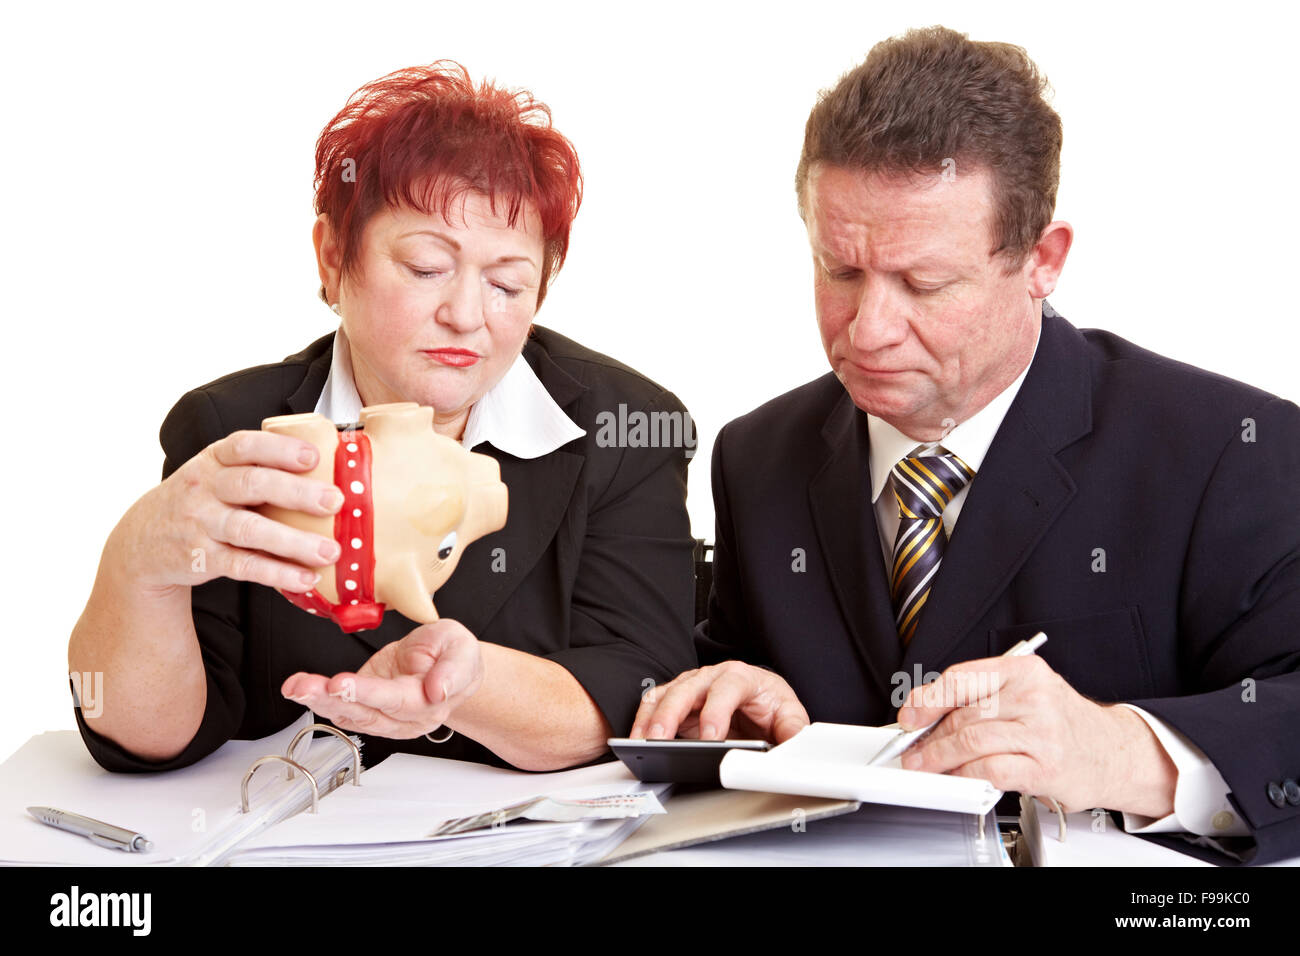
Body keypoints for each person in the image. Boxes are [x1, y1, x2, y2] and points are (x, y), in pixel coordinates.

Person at [632, 26, 1300, 865]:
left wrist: (1122, 753)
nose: (867, 330)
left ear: (1042, 260)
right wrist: (735, 703)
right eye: (840, 271)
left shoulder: (1226, 450)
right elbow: (739, 688)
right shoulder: (755, 457)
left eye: (924, 283)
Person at [68, 61, 697, 774]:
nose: (465, 316)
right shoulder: (231, 427)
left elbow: (647, 687)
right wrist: (134, 568)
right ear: (334, 258)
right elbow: (155, 735)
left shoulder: (626, 423)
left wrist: (467, 685)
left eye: (507, 283)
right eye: (427, 267)